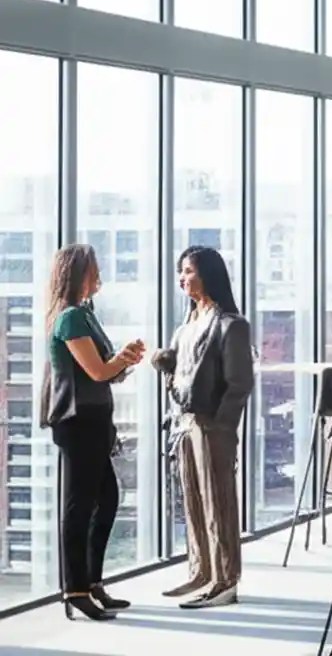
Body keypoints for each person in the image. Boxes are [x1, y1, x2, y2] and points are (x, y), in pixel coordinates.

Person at [41, 244, 145, 621]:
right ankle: (76, 589)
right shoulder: (69, 317)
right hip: (78, 422)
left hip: (96, 419)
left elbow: (104, 372)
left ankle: (92, 582)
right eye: (93, 269)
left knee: (107, 500)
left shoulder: (85, 314)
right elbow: (98, 371)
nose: (98, 275)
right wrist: (119, 360)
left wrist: (124, 361)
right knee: (80, 506)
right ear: (76, 274)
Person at [153, 246, 254, 609]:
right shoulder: (185, 327)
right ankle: (202, 571)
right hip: (184, 422)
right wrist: (165, 363)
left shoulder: (231, 325)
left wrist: (222, 427)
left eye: (189, 271)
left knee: (218, 502)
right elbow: (182, 373)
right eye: (180, 271)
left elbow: (240, 384)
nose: (182, 278)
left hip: (212, 425)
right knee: (194, 501)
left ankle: (225, 580)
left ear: (209, 274)